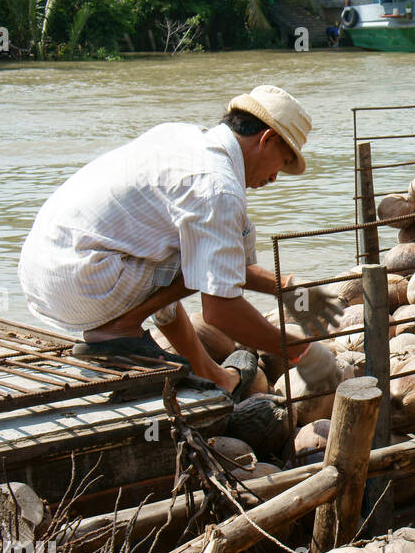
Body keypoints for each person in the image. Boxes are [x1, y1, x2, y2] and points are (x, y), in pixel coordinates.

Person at [18, 85, 341, 398]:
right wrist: (301, 352)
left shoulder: (181, 136)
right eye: (282, 163)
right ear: (266, 139)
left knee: (197, 252)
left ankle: (211, 374)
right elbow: (220, 312)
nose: (273, 178)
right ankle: (116, 332)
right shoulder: (217, 186)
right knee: (198, 257)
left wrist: (288, 287)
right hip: (82, 281)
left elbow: (224, 266)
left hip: (46, 271)